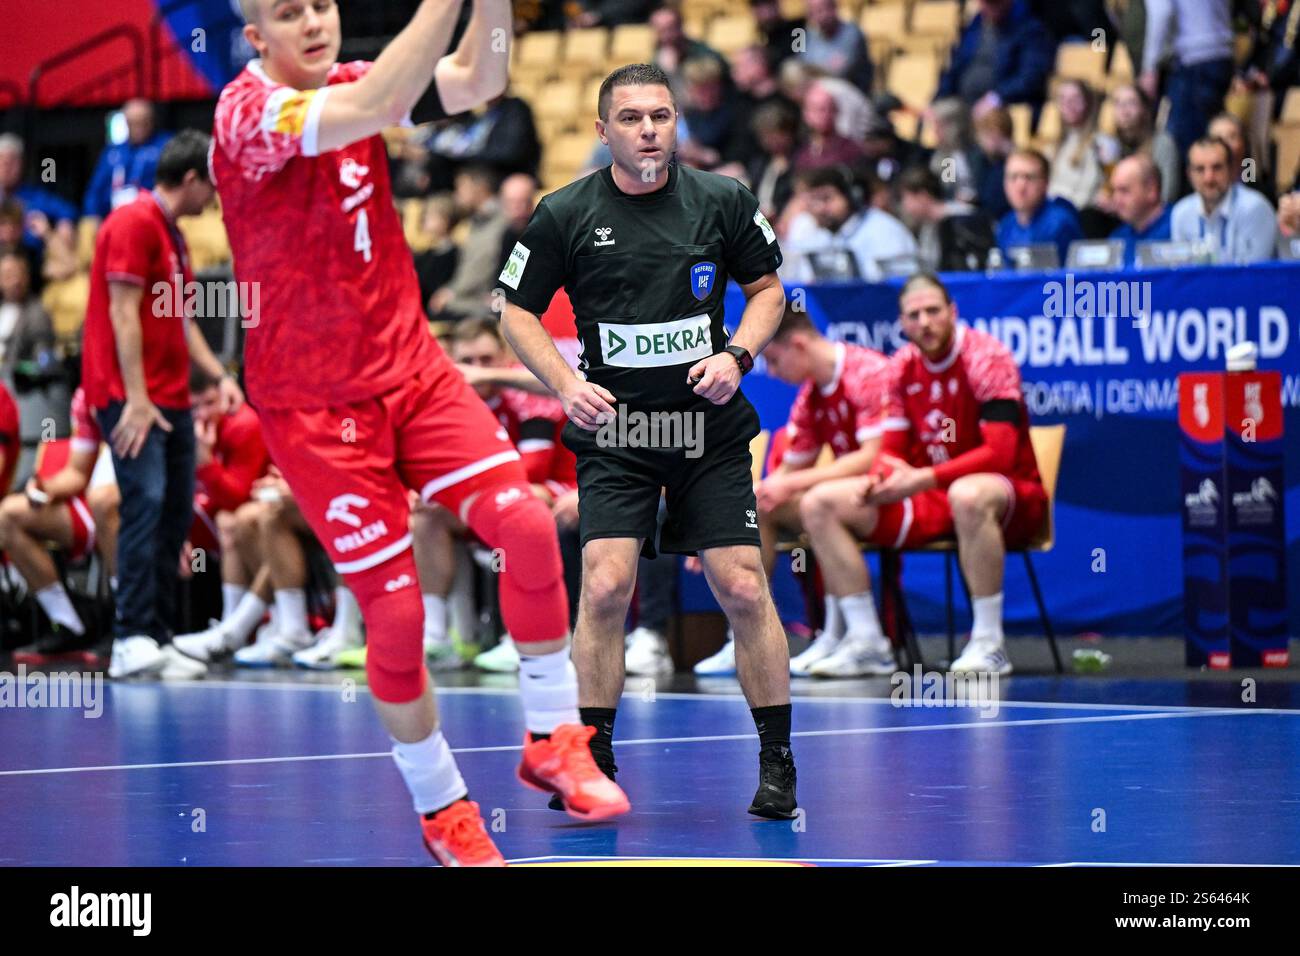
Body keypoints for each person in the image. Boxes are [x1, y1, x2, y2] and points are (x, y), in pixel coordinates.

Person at [213, 0, 629, 867]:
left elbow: (487, 76)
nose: (314, 23)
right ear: (258, 37)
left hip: (411, 369)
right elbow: (365, 112)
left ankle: (554, 736)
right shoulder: (247, 113)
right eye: (290, 14)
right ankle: (443, 807)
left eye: (322, 5)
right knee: (396, 617)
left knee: (524, 525)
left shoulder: (362, 80)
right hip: (315, 404)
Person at [497, 63, 798, 820]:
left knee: (739, 584)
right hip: (619, 431)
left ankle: (777, 759)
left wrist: (736, 356)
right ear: (603, 132)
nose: (649, 130)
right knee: (602, 585)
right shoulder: (565, 213)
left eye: (660, 116)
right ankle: (592, 762)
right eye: (631, 119)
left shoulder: (723, 200)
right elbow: (514, 312)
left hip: (706, 427)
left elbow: (767, 293)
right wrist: (567, 387)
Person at [799, 273, 1046, 676]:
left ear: (953, 312)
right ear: (902, 323)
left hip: (1008, 493)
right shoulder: (901, 368)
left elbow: (1000, 455)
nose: (925, 322)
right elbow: (892, 451)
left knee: (967, 494)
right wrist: (879, 479)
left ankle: (988, 643)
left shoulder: (987, 357)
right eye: (914, 315)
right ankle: (868, 642)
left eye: (933, 311)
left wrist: (922, 479)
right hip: (930, 494)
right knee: (821, 502)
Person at [80, 130, 240, 682]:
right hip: (133, 398)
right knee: (144, 504)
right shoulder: (132, 222)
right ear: (191, 178)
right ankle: (129, 637)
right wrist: (138, 399)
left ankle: (158, 635)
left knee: (173, 510)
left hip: (167, 397)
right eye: (210, 184)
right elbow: (122, 314)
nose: (214, 198)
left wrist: (219, 376)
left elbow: (184, 320)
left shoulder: (172, 235)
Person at [751, 308, 889, 676]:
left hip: (896, 490)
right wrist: (738, 513)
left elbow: (874, 457)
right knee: (761, 506)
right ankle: (749, 637)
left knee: (817, 502)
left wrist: (788, 484)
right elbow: (789, 470)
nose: (775, 373)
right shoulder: (812, 395)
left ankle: (867, 638)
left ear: (798, 344)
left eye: (775, 361)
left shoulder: (868, 372)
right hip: (852, 498)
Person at [783, 165, 919, 282]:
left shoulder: (884, 231)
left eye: (827, 198)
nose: (819, 208)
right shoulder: (816, 234)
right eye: (814, 200)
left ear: (853, 196)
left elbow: (899, 287)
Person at [1139, 0, 1234, 164]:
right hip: (1222, 55)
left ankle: (1194, 188)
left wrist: (1150, 66)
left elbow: (1162, 13)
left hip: (1193, 61)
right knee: (1212, 137)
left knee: (1187, 145)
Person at [1170, 136, 1277, 263]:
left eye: (1217, 168)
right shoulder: (1181, 213)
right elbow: (1182, 275)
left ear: (1232, 170)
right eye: (1200, 169)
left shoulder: (1255, 209)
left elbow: (1255, 276)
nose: (1209, 178)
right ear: (1189, 175)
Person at [935, 0, 1054, 114]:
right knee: (941, 113)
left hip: (1003, 105)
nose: (991, 7)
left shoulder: (1029, 30)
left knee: (988, 118)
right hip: (964, 102)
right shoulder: (974, 27)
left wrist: (997, 97)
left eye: (996, 2)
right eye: (986, 2)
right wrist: (939, 99)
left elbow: (1030, 78)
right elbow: (955, 68)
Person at [83, 99, 173, 221]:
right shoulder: (113, 151)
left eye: (142, 122)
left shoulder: (165, 146)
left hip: (150, 215)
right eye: (132, 123)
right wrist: (93, 215)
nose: (137, 128)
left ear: (151, 121)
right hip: (112, 214)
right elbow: (95, 190)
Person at [898, 166, 996, 272]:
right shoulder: (928, 227)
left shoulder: (964, 217)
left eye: (906, 198)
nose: (904, 206)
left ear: (923, 195)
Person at [996, 149, 1084, 263]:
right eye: (1013, 177)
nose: (1020, 186)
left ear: (1045, 183)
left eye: (1029, 177)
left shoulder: (1060, 223)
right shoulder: (1005, 224)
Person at [1110, 83, 1181, 205]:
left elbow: (1167, 195)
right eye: (1118, 104)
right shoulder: (1113, 144)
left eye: (1131, 103)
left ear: (1146, 109)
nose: (1124, 110)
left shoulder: (1163, 143)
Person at [0, 251, 54, 391]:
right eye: (9, 275)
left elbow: (42, 357)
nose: (16, 281)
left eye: (20, 274)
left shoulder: (37, 313)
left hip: (18, 388)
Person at [1108, 153, 1172, 265]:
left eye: (1124, 190)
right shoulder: (1117, 238)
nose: (1116, 199)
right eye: (1114, 191)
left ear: (1151, 190)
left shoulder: (1177, 228)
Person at [800, 0, 873, 94]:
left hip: (852, 94)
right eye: (814, 12)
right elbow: (801, 67)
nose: (821, 16)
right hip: (818, 93)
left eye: (823, 9)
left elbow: (840, 72)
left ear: (834, 8)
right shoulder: (809, 35)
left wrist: (813, 70)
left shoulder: (852, 34)